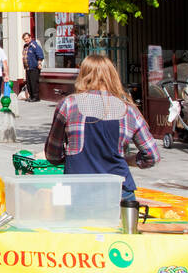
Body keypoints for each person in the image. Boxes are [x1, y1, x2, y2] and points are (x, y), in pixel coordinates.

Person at [45, 54, 160, 198]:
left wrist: (71, 158)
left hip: (78, 191)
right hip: (119, 191)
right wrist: (127, 159)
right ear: (113, 76)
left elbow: (52, 154)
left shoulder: (68, 105)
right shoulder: (129, 110)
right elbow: (152, 156)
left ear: (83, 75)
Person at [22, 32, 45, 102]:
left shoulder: (34, 45)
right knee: (29, 83)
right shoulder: (25, 46)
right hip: (28, 68)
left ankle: (36, 97)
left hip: (34, 67)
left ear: (30, 38)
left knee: (34, 83)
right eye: (24, 39)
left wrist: (39, 63)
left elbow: (40, 55)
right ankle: (31, 96)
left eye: (27, 38)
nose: (26, 40)